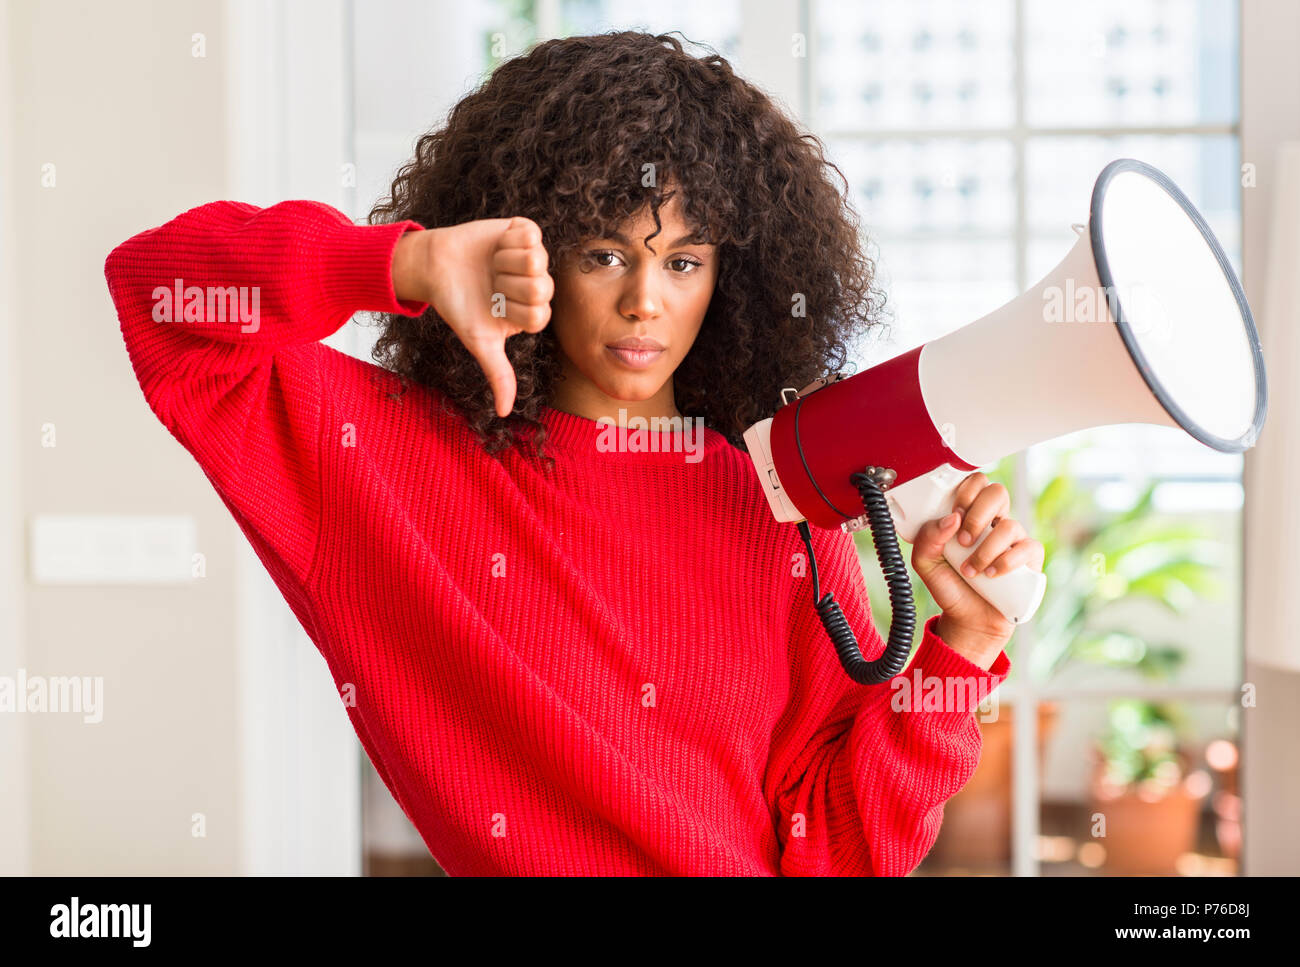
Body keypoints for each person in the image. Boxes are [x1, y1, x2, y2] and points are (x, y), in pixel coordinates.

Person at [104, 30, 1042, 876]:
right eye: (602, 253)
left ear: (733, 275)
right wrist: (401, 265)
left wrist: (966, 641)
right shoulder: (382, 457)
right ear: (533, 250)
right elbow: (161, 298)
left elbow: (838, 849)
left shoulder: (779, 500)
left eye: (682, 261)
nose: (644, 300)